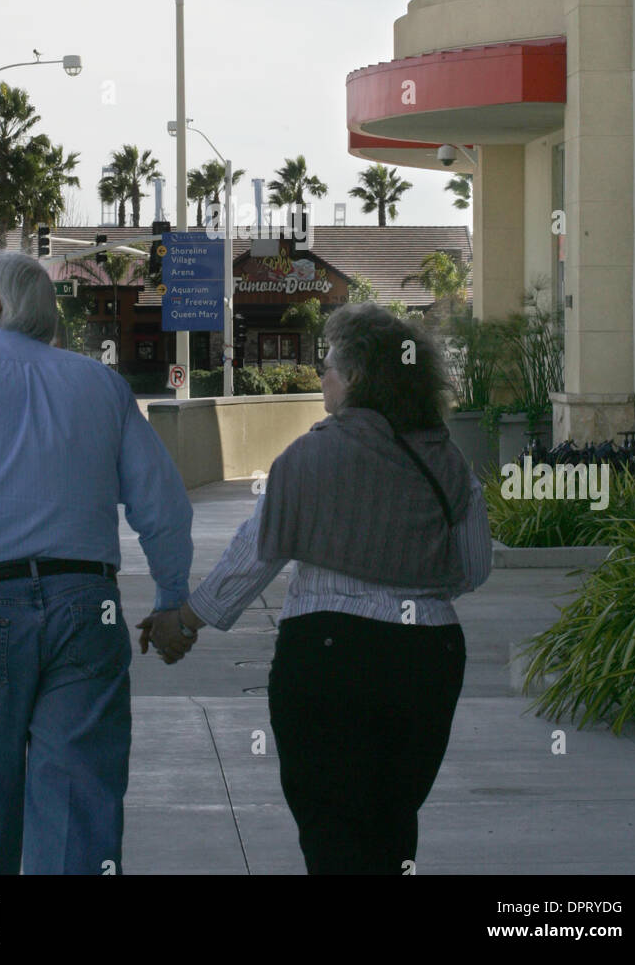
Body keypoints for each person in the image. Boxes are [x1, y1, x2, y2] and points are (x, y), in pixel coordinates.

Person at [141, 301, 492, 875]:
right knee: (392, 821)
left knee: (332, 824)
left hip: (329, 653)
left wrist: (184, 622)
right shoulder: (447, 460)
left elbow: (256, 553)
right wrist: (416, 579)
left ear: (354, 378)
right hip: (430, 656)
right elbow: (474, 569)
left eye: (327, 366)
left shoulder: (310, 456)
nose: (321, 376)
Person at [0, 247, 196, 876]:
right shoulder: (103, 386)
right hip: (87, 607)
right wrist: (171, 598)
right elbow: (161, 505)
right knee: (80, 802)